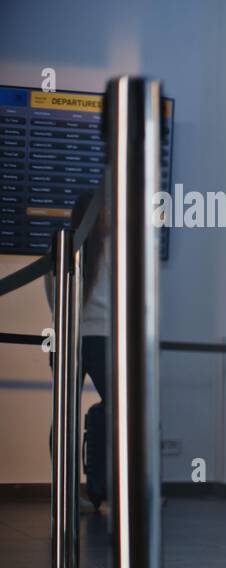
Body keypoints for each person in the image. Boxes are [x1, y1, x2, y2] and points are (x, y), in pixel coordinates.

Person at [43, 193, 110, 514]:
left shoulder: (61, 248)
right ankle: (104, 487)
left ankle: (67, 496)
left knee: (64, 418)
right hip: (103, 339)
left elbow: (54, 299)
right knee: (120, 413)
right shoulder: (114, 249)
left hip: (67, 338)